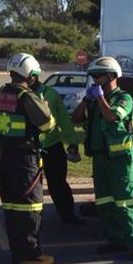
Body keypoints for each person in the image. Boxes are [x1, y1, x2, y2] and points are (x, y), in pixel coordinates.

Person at [71, 56, 133, 259]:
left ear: (112, 76)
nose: (95, 80)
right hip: (100, 158)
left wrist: (100, 98)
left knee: (125, 202)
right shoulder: (95, 101)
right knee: (105, 203)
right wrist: (86, 100)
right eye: (93, 77)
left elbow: (113, 116)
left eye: (99, 76)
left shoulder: (124, 98)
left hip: (120, 160)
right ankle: (116, 240)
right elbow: (76, 119)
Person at [0, 53, 57, 264]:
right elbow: (47, 125)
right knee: (30, 206)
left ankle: (18, 251)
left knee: (11, 206)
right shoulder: (27, 97)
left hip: (3, 156)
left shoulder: (1, 93)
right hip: (24, 159)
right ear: (31, 76)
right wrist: (44, 105)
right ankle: (31, 253)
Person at [35, 76, 84, 224]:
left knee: (58, 184)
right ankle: (29, 218)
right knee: (30, 186)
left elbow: (64, 121)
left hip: (52, 146)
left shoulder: (51, 94)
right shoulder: (22, 94)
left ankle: (67, 215)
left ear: (32, 77)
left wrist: (73, 142)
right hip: (30, 148)